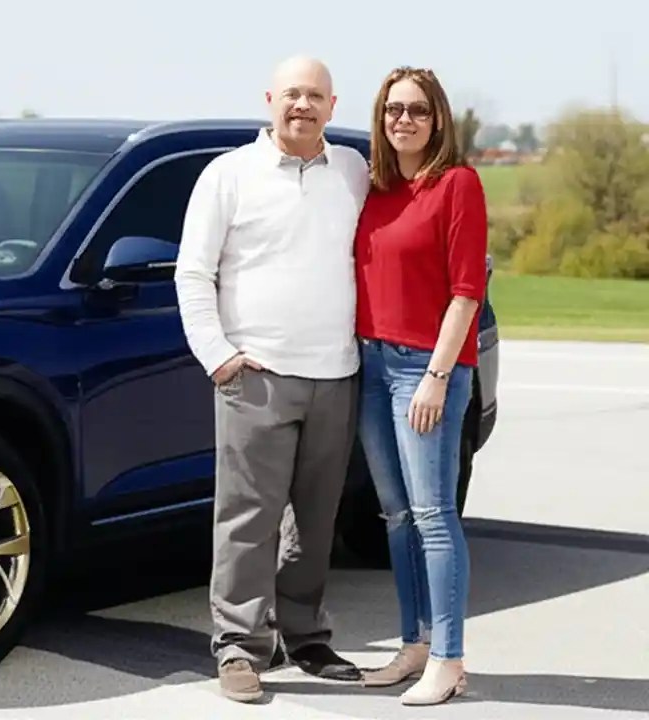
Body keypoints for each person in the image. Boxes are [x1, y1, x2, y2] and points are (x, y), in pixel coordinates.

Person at [174, 55, 372, 703]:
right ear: (270, 100)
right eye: (292, 94)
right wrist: (218, 355)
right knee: (247, 522)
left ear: (333, 107)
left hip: (335, 373)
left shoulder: (352, 171)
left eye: (315, 96)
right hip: (255, 376)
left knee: (316, 522)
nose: (302, 106)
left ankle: (306, 637)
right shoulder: (228, 175)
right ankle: (238, 646)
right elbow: (192, 273)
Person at [352, 66, 487, 706]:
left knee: (434, 514)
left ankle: (449, 656)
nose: (403, 119)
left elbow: (466, 292)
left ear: (438, 120)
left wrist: (436, 376)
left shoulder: (457, 185)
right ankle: (413, 645)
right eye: (393, 109)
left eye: (417, 110)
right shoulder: (375, 191)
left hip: (424, 369)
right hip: (371, 367)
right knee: (397, 515)